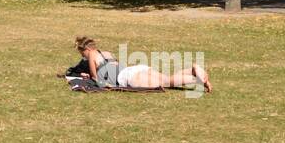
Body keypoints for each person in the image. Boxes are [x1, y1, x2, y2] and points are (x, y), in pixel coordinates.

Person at [73, 36, 211, 92]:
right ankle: (192, 70)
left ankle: (197, 79)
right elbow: (114, 66)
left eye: (82, 54)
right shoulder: (107, 53)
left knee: (167, 82)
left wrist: (91, 77)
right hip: (134, 70)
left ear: (86, 49)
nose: (83, 57)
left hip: (128, 77)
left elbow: (96, 77)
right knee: (166, 78)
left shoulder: (91, 54)